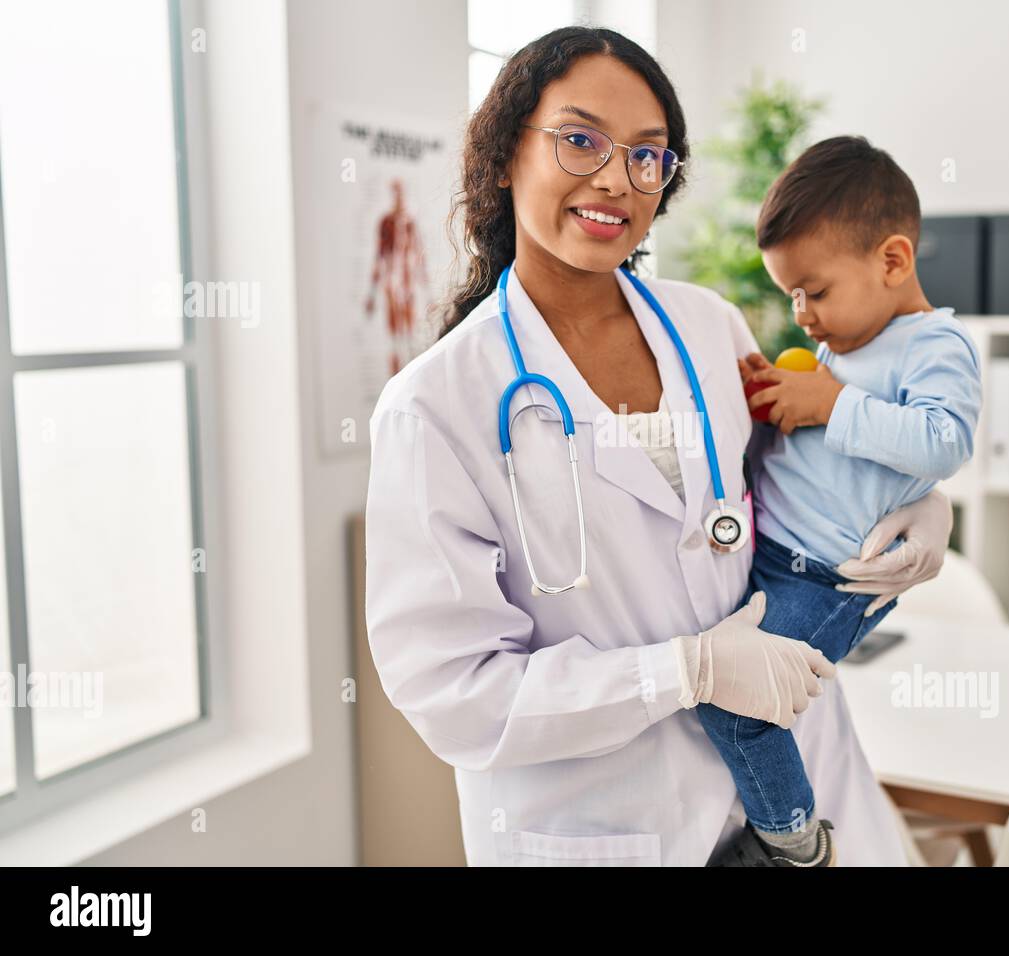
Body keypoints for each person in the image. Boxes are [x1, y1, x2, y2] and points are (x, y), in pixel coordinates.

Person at [364, 26, 954, 867]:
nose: (616, 177)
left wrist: (925, 500)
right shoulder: (434, 408)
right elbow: (456, 696)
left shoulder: (707, 325)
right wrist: (686, 672)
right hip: (608, 828)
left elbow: (806, 466)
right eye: (579, 140)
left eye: (648, 155)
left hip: (800, 794)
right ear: (503, 157)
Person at [697, 136, 983, 866]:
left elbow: (944, 441)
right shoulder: (843, 347)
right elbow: (827, 449)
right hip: (775, 557)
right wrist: (776, 402)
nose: (802, 314)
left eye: (814, 292)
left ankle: (792, 842)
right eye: (791, 293)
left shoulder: (933, 344)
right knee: (731, 688)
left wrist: (831, 402)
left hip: (827, 581)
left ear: (891, 261)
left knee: (739, 708)